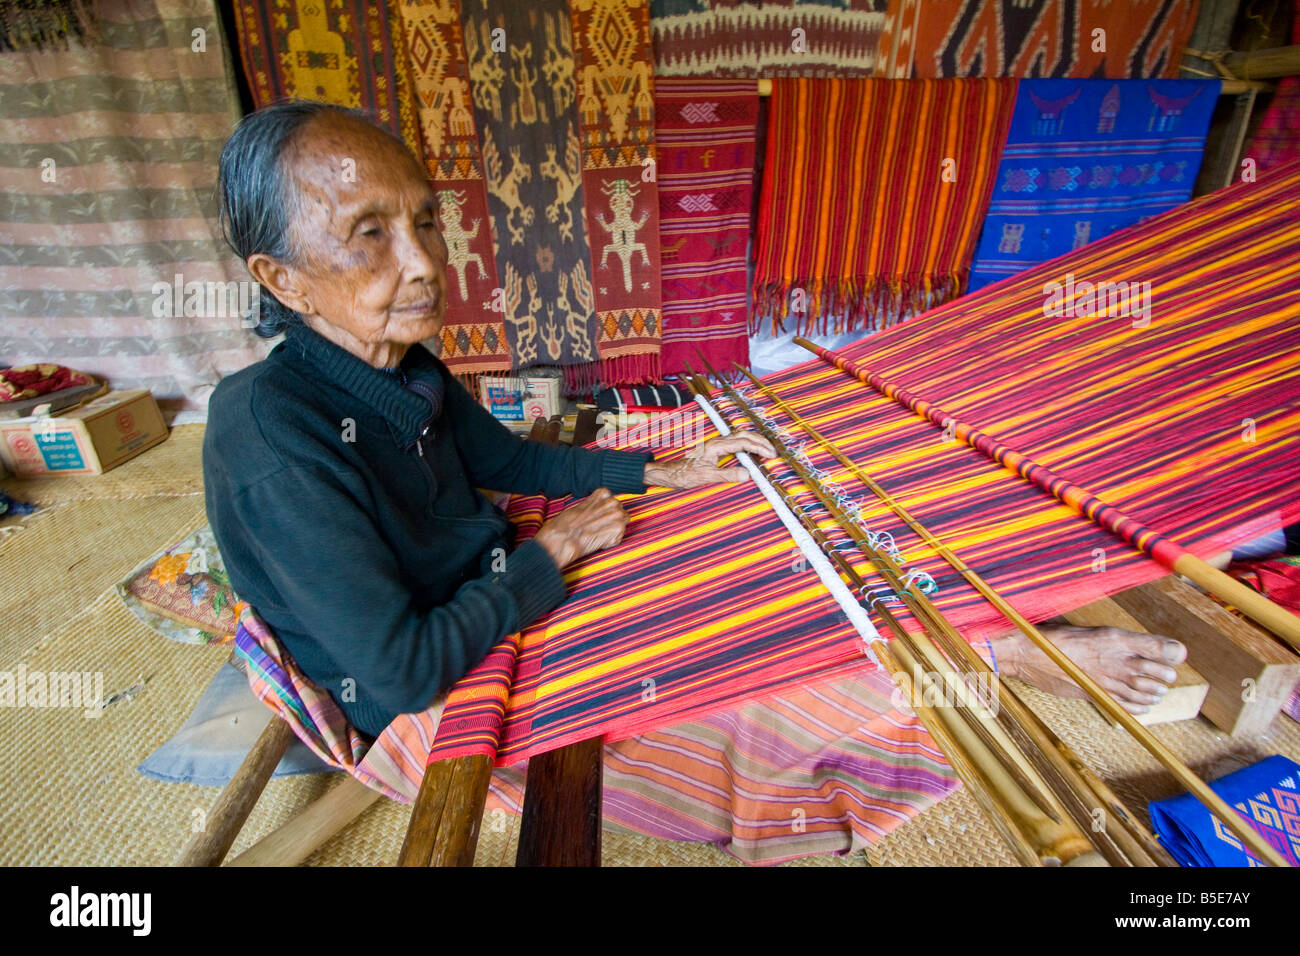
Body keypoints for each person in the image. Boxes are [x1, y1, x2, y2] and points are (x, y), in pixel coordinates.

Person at [206, 101, 1184, 748]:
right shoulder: (271, 438)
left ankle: (989, 623)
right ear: (280, 278)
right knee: (753, 618)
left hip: (492, 573)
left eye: (423, 221)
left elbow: (503, 454)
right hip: (449, 673)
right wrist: (544, 556)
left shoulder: (401, 359)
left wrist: (663, 471)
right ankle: (996, 651)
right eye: (369, 234)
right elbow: (402, 668)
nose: (423, 261)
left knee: (756, 513)